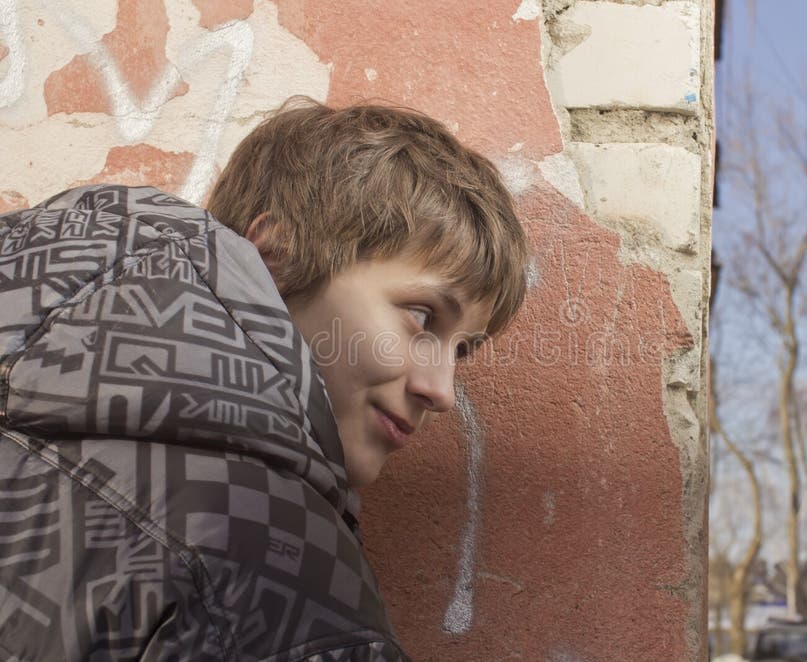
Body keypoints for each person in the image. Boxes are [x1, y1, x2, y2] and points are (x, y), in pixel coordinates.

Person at [0, 97, 528, 660]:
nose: (440, 391)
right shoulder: (279, 574)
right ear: (276, 256)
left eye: (463, 350)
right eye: (422, 318)